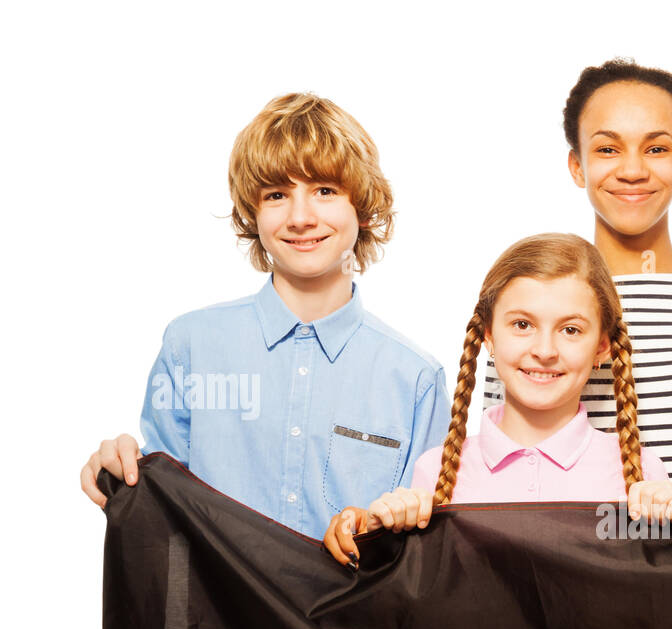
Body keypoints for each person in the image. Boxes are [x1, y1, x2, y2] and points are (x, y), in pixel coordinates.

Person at [80, 93, 449, 538]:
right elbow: (161, 515)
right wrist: (121, 469)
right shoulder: (190, 347)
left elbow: (423, 553)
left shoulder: (415, 380)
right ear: (251, 214)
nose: (300, 217)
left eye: (325, 191)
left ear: (363, 207)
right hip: (213, 608)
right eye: (276, 194)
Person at [481, 59, 672, 534]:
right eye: (608, 148)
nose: (632, 170)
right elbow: (499, 452)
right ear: (578, 165)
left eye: (656, 148)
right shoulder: (531, 300)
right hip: (561, 572)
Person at [322, 234, 672, 566]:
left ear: (602, 346)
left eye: (570, 329)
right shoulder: (434, 473)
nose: (544, 351)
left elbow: (663, 606)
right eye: (522, 325)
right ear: (488, 334)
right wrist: (377, 534)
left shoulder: (643, 474)